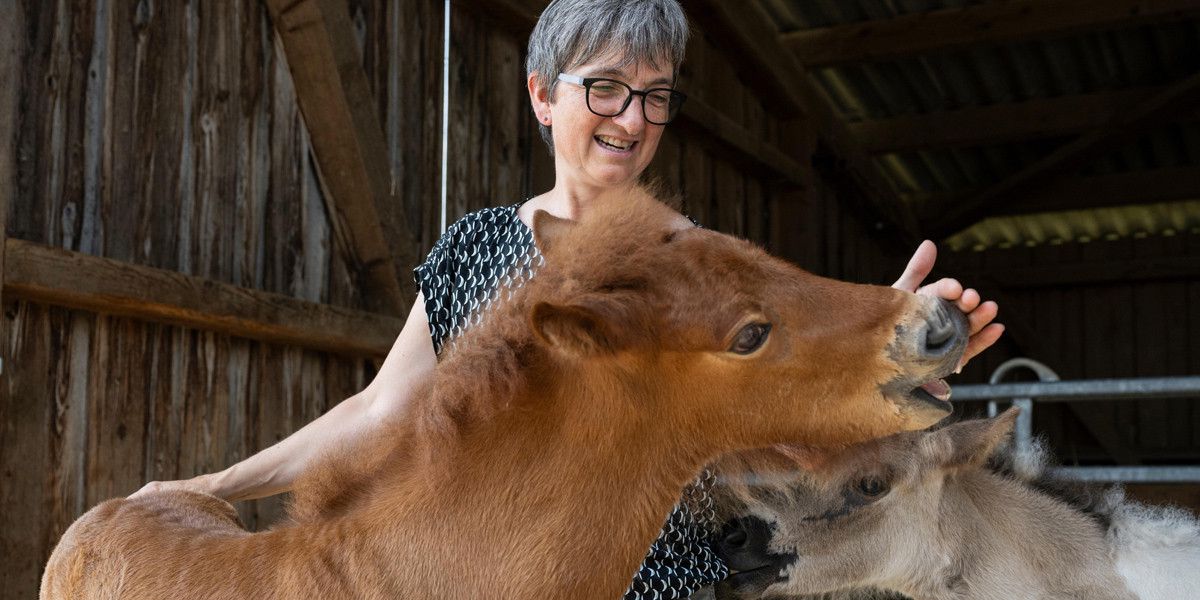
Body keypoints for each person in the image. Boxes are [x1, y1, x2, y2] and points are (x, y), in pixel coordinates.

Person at [132, 0, 1003, 597]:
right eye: (607, 88)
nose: (633, 119)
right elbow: (378, 410)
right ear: (543, 97)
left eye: (657, 96)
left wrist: (883, 342)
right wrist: (211, 484)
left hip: (661, 583)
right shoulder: (477, 247)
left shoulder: (697, 264)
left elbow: (795, 428)